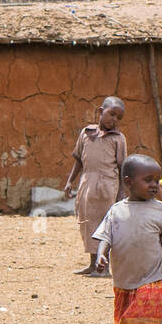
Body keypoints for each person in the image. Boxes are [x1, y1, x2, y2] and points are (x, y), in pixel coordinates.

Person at [93, 154, 162, 324]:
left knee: (143, 323)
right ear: (128, 182)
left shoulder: (158, 208)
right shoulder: (117, 211)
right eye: (147, 180)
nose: (154, 185)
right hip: (124, 281)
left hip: (153, 277)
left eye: (157, 180)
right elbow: (105, 237)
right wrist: (101, 255)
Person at [64, 97, 128, 276]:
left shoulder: (118, 138)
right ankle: (93, 264)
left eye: (119, 117)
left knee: (105, 225)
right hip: (87, 184)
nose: (114, 120)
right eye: (111, 114)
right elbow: (78, 160)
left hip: (107, 186)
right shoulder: (86, 133)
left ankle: (104, 267)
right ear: (101, 111)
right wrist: (70, 181)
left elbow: (122, 166)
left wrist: (122, 191)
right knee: (88, 223)